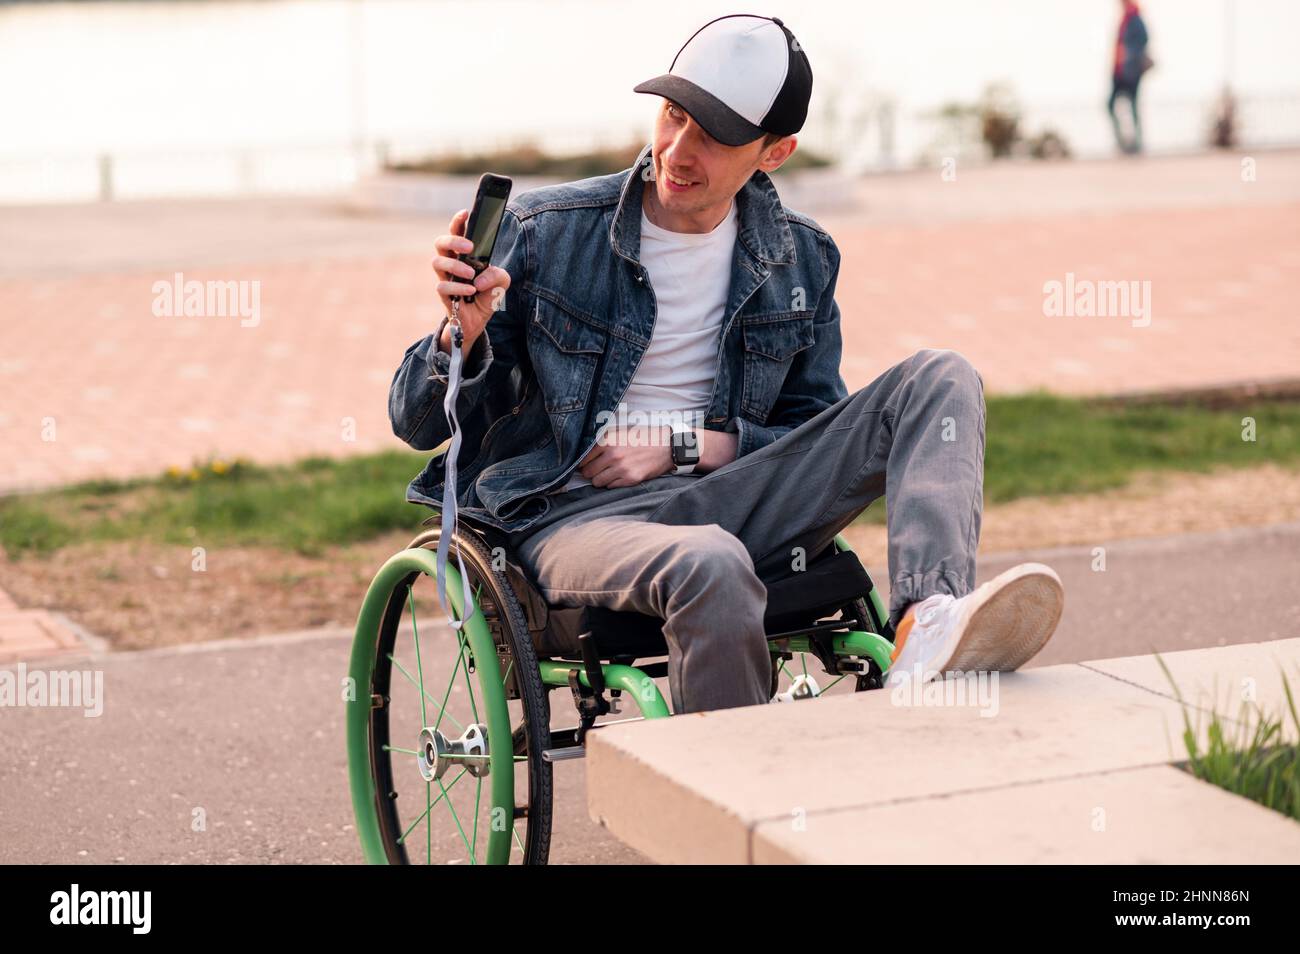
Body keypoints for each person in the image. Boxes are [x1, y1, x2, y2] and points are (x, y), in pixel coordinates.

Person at [389, 14, 1066, 714]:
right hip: (574, 518)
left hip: (730, 493)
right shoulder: (546, 232)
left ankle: (925, 624)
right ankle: (726, 805)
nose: (678, 151)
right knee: (708, 560)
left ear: (774, 153)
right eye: (674, 116)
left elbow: (809, 431)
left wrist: (685, 445)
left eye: (713, 137)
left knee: (942, 375)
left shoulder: (802, 257)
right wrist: (456, 339)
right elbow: (411, 422)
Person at [1108, 0, 1151, 155]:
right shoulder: (1125, 18)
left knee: (1132, 105)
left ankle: (1136, 143)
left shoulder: (1135, 19)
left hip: (1131, 71)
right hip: (1119, 70)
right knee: (1112, 105)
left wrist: (1131, 57)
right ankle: (1125, 142)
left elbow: (1144, 39)